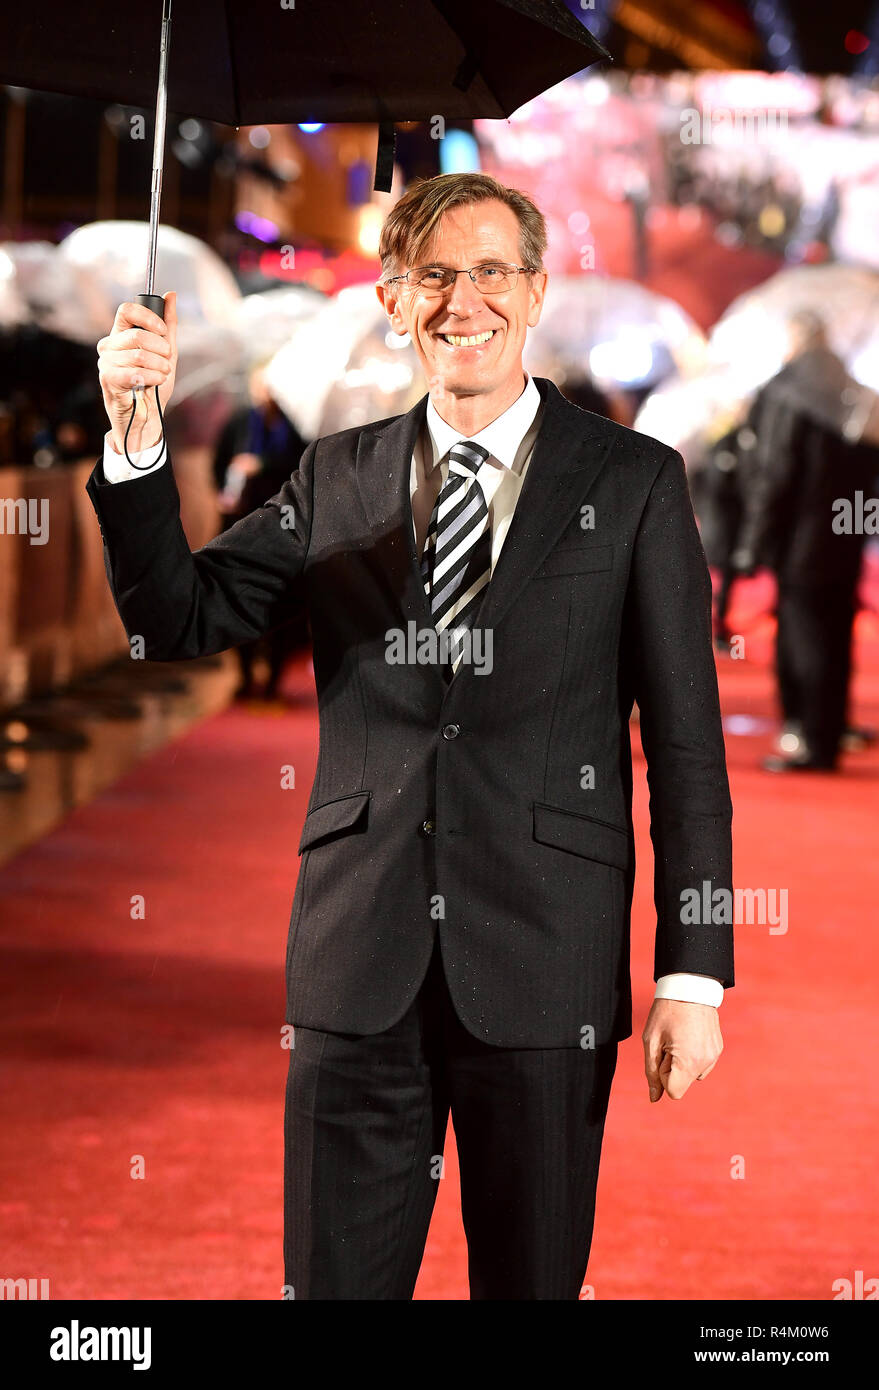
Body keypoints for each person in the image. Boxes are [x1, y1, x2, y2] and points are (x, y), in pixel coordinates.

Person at [88, 173, 733, 1301]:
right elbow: (174, 614)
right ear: (394, 301)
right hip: (357, 960)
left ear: (536, 294)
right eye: (433, 275)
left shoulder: (634, 484)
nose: (462, 300)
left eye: (491, 271)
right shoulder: (336, 474)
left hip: (547, 960)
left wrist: (694, 970)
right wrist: (136, 442)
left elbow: (685, 748)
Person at [735, 311, 879, 772]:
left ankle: (809, 737)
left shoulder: (788, 394)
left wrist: (753, 544)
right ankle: (829, 731)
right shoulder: (855, 396)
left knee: (803, 638)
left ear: (796, 341)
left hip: (800, 542)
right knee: (834, 637)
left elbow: (774, 474)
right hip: (846, 537)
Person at [212, 362, 310, 699]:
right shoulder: (239, 422)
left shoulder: (294, 426)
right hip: (240, 524)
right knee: (237, 600)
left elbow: (301, 468)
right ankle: (243, 675)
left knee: (278, 607)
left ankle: (273, 680)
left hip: (282, 528)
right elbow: (219, 464)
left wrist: (262, 465)